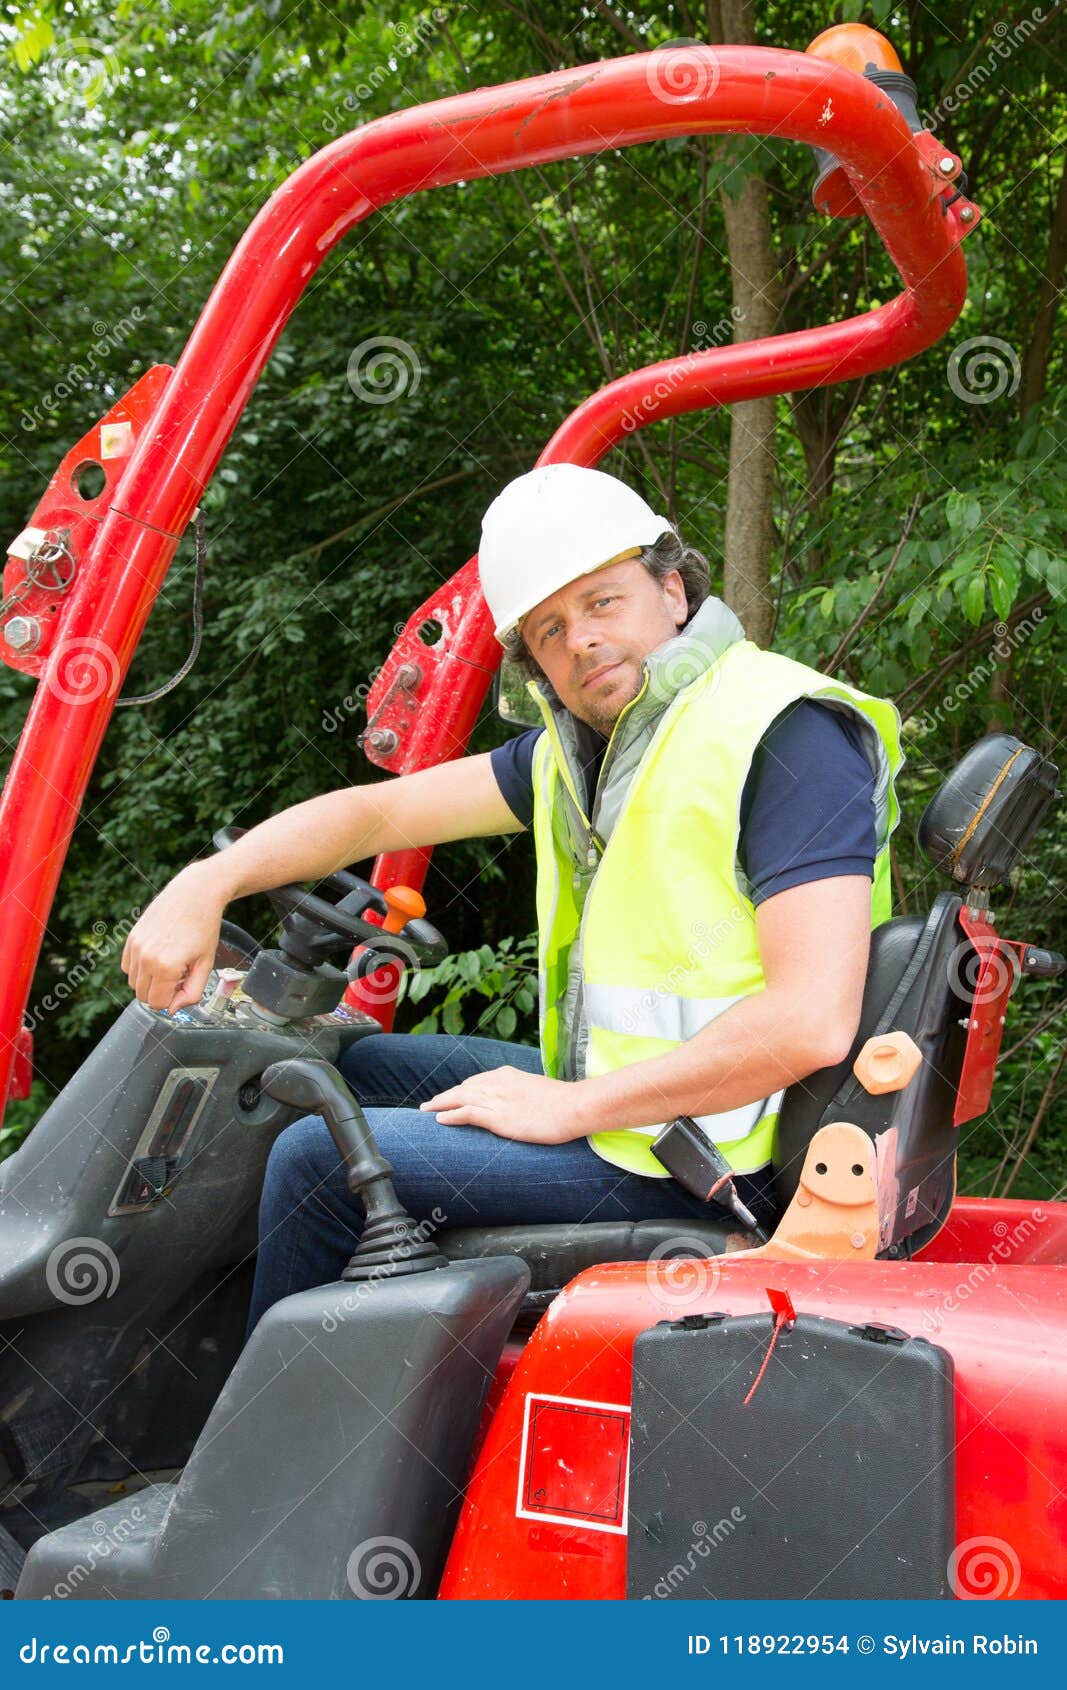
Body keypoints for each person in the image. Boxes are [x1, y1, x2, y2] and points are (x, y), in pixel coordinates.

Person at [121, 464, 903, 1337]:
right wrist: (208, 879)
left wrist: (568, 1109)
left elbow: (808, 1020)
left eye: (603, 603)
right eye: (550, 630)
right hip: (644, 1106)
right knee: (348, 1070)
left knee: (318, 1155)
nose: (581, 642)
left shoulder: (782, 730)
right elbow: (380, 810)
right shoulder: (587, 756)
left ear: (672, 591)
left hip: (716, 1151)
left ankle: (263, 1457)